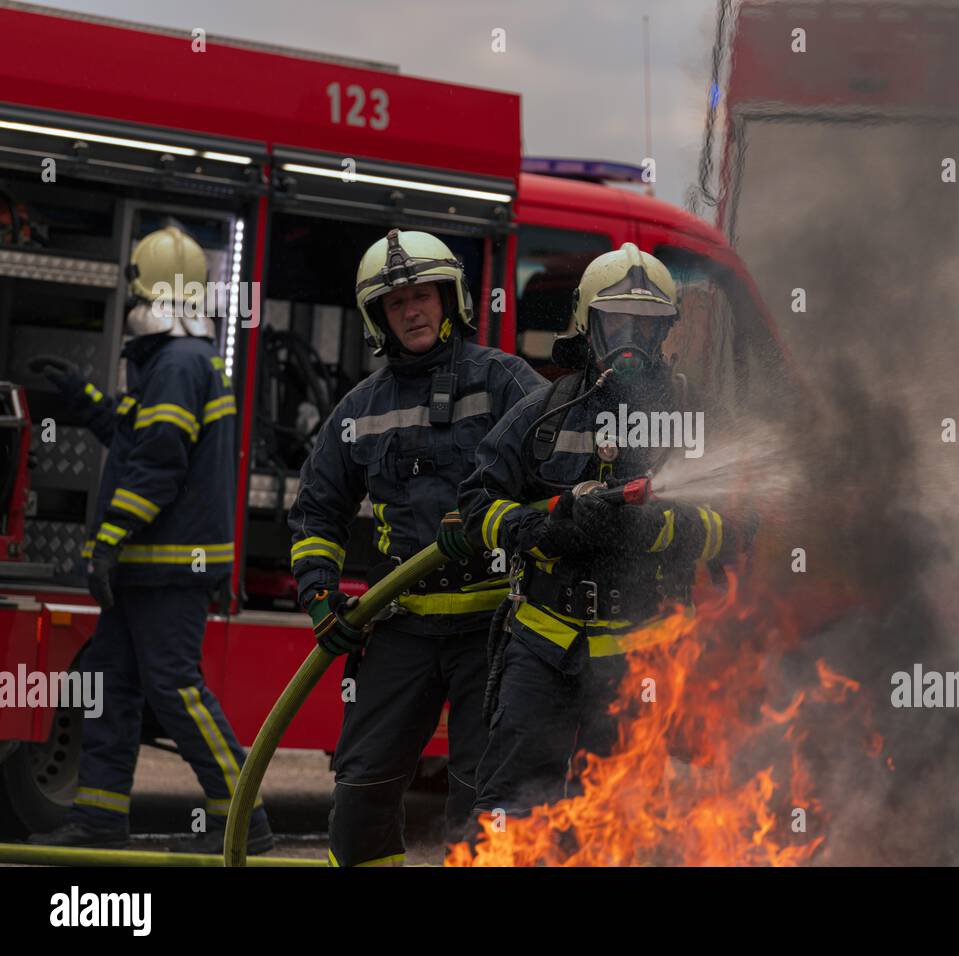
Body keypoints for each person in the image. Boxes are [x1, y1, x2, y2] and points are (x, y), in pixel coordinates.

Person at [460, 242, 745, 821]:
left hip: (644, 655)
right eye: (618, 322)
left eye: (646, 325)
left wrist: (662, 530)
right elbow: (476, 506)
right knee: (511, 811)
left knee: (619, 820)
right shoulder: (545, 413)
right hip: (541, 645)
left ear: (666, 329)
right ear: (588, 324)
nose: (631, 341)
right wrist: (543, 526)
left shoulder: (698, 419)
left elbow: (740, 525)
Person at [289, 229, 545, 866]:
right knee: (362, 791)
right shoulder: (358, 410)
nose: (412, 310)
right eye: (396, 302)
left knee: (481, 801)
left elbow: (555, 485)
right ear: (378, 317)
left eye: (423, 295)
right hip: (398, 627)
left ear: (450, 298)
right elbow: (317, 510)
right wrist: (320, 595)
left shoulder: (508, 383)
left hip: (493, 629)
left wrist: (490, 517)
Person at [27, 226, 272, 854]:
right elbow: (142, 440)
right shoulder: (171, 362)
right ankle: (101, 818)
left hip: (167, 568)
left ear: (148, 290)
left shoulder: (178, 365)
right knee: (111, 687)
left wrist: (106, 539)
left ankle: (244, 818)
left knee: (176, 690)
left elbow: (158, 466)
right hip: (146, 567)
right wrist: (86, 404)